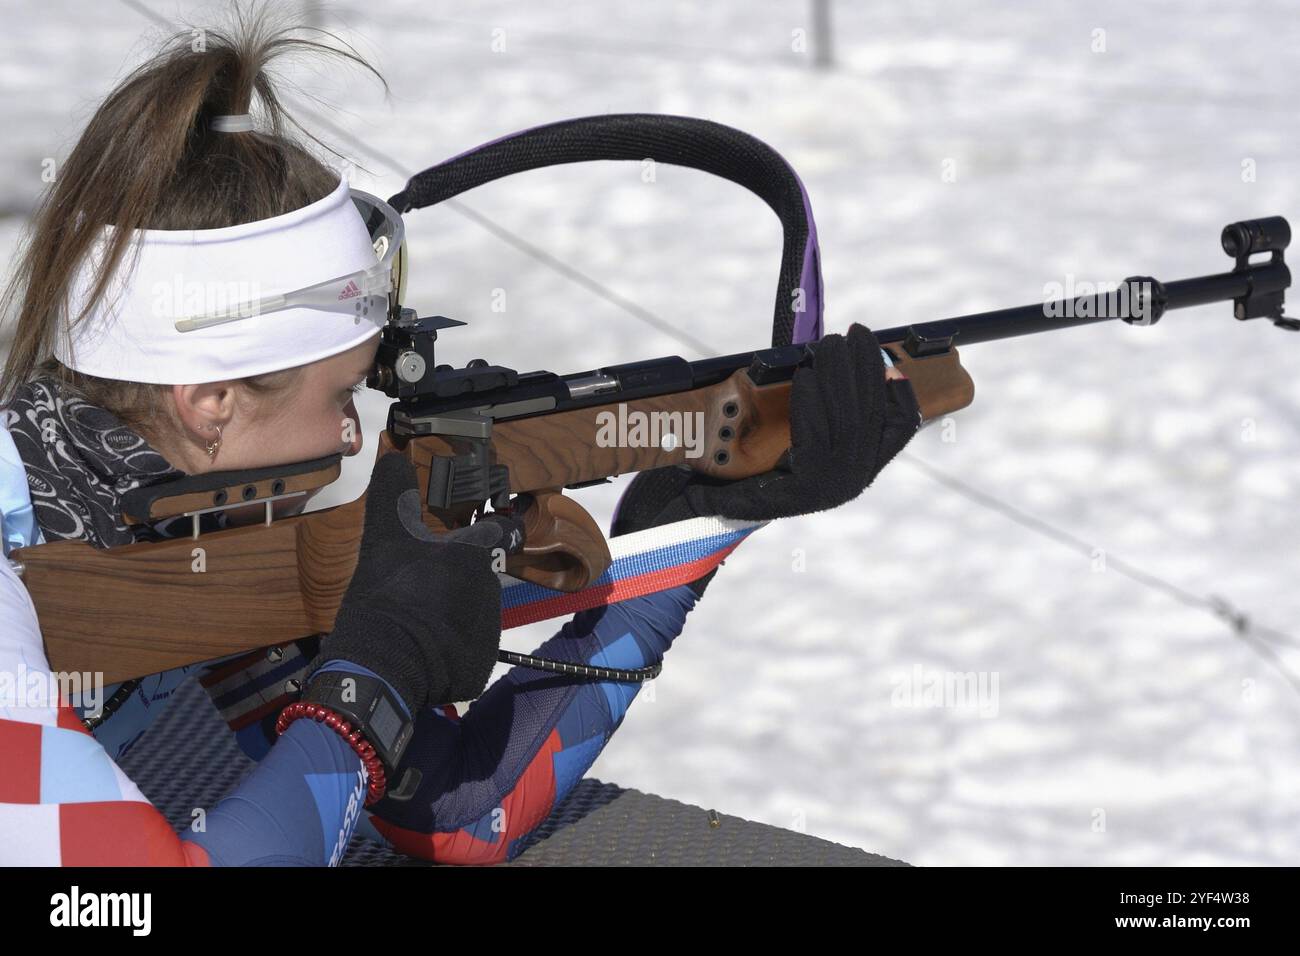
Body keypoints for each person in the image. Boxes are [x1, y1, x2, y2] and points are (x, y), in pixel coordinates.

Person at [0, 13, 921, 866]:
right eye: (339, 393)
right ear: (209, 401)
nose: (355, 429)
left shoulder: (168, 532)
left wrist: (693, 524)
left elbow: (458, 812)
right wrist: (374, 679)